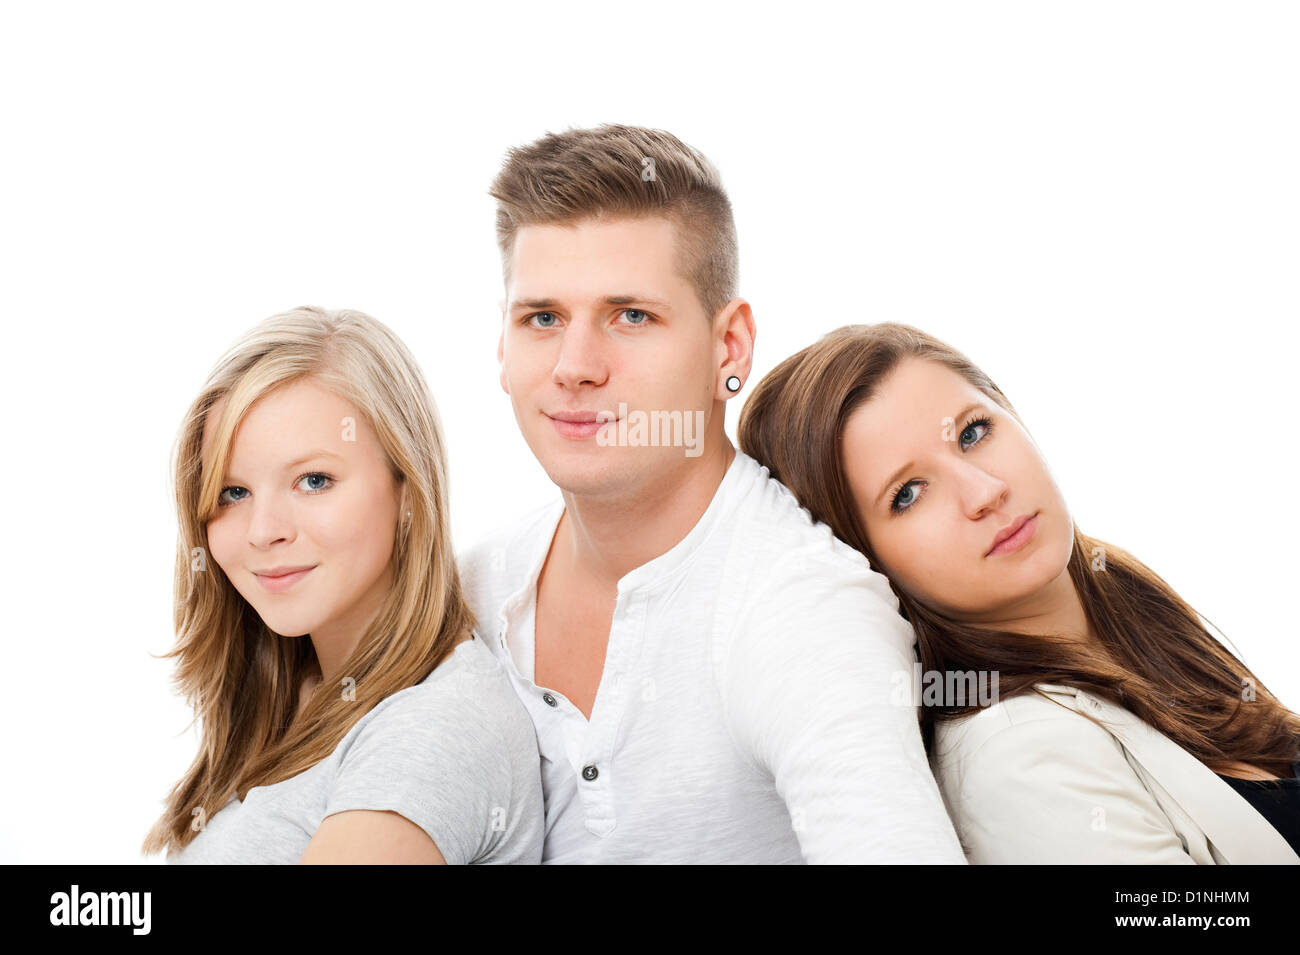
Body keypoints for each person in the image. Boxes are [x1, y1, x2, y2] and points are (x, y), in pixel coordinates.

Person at [457, 124, 966, 863]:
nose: (575, 365)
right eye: (542, 318)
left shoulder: (801, 606)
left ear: (729, 346)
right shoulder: (467, 592)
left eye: (630, 315)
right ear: (502, 347)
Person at [738, 322, 1300, 864]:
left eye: (973, 433)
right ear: (863, 559)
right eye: (908, 493)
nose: (984, 492)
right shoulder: (1017, 754)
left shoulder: (1136, 612)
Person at [143, 306, 543, 864]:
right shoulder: (296, 689)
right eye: (233, 493)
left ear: (407, 490)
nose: (263, 532)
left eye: (313, 481)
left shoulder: (430, 732)